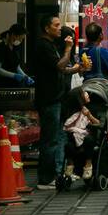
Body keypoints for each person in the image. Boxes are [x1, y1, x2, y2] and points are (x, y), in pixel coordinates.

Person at [33, 15, 84, 189]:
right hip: (48, 100)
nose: (60, 28)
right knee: (50, 140)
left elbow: (62, 70)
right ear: (47, 28)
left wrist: (77, 68)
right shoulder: (43, 46)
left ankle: (53, 173)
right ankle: (45, 179)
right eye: (56, 25)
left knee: (55, 137)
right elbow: (60, 66)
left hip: (56, 98)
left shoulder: (51, 45)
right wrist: (69, 48)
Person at [0, 24, 30, 88]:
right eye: (20, 38)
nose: (21, 41)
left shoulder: (15, 47)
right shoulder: (2, 47)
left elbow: (16, 67)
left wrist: (25, 76)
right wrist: (14, 75)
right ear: (13, 35)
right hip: (3, 84)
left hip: (14, 84)